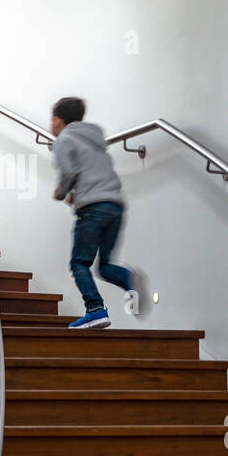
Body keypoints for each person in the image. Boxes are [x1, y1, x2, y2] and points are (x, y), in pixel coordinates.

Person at [51, 96, 145, 330]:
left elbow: (69, 173)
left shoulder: (64, 141)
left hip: (92, 209)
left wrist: (61, 193)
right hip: (115, 206)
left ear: (58, 119)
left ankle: (95, 310)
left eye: (51, 119)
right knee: (104, 266)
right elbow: (89, 173)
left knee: (79, 264)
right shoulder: (94, 140)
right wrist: (77, 193)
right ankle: (128, 279)